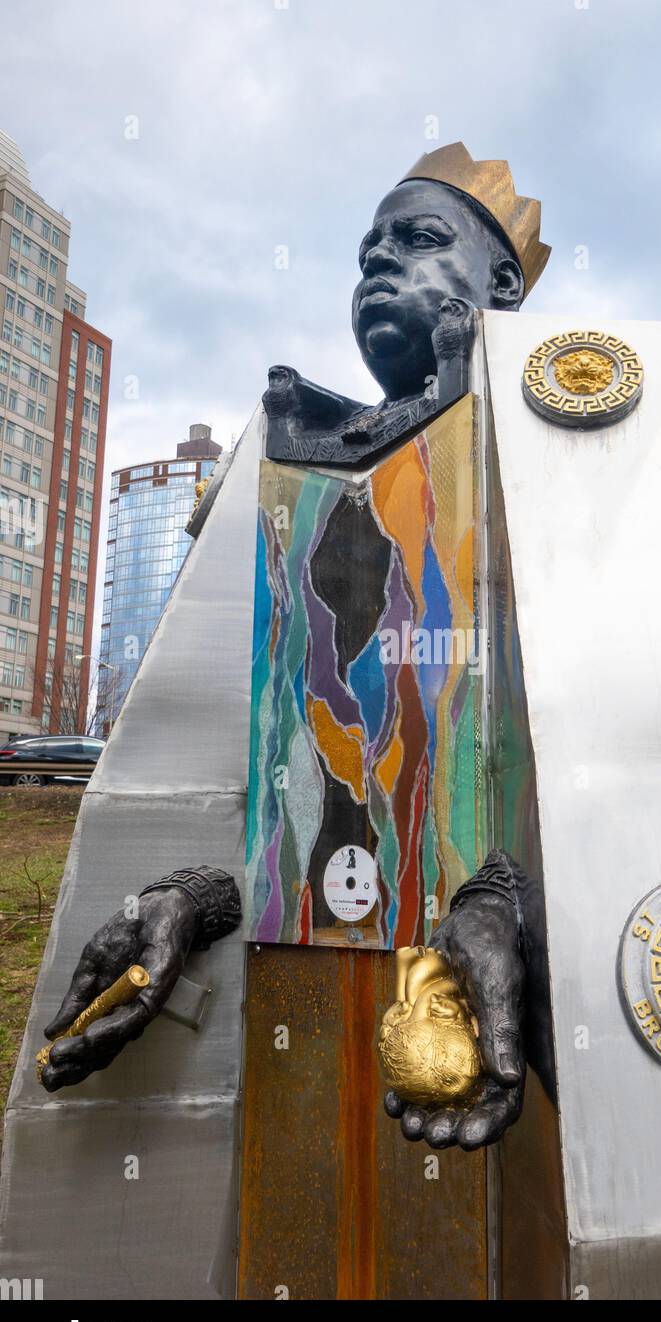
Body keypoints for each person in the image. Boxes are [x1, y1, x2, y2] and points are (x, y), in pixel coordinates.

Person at [40, 144, 555, 1151]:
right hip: (292, 1044)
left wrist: (510, 907)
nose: (377, 265)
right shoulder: (268, 470)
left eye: (416, 240)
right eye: (366, 249)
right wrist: (190, 893)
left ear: (500, 281)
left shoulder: (574, 436)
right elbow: (257, 781)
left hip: (483, 1082)